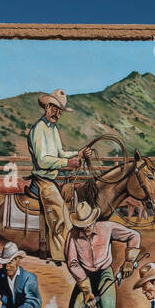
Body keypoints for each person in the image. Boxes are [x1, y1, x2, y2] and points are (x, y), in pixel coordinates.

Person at [27, 89, 93, 262]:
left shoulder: (53, 129)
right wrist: (67, 163)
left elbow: (60, 153)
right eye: (54, 108)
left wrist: (77, 154)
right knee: (60, 212)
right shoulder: (39, 129)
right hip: (43, 181)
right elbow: (43, 161)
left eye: (60, 110)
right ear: (47, 107)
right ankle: (61, 254)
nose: (57, 113)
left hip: (51, 180)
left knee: (72, 199)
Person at [64, 201, 142, 308]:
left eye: (88, 223)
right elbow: (73, 263)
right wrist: (87, 291)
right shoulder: (72, 235)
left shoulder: (107, 228)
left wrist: (129, 261)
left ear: (94, 219)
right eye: (82, 225)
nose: (85, 227)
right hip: (84, 276)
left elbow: (134, 235)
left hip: (104, 273)